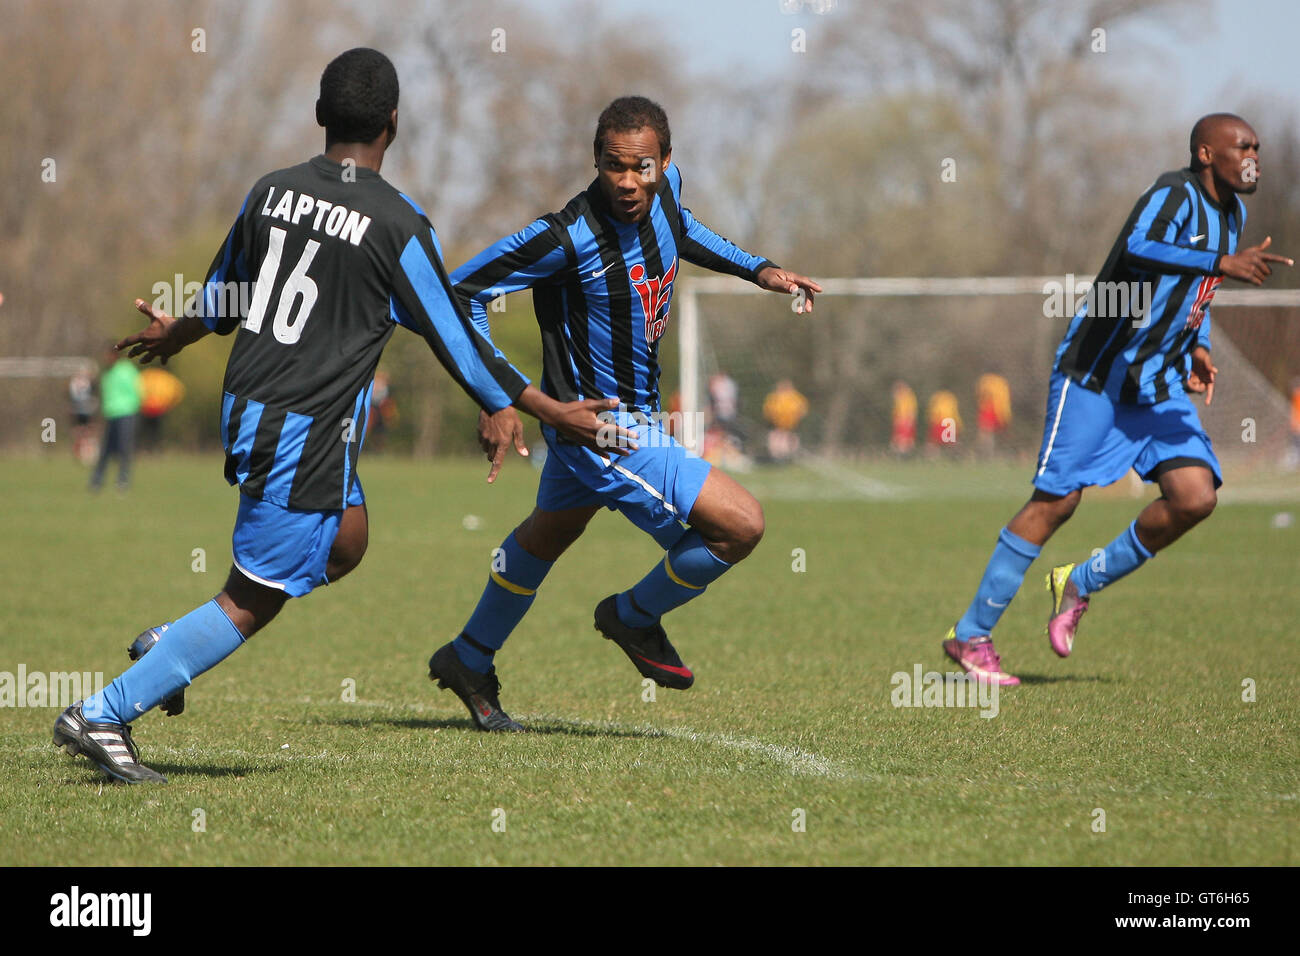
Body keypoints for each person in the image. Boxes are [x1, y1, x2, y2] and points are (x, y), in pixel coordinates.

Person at [52, 48, 622, 783]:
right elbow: (457, 339)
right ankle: (103, 713)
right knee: (252, 598)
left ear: (320, 115)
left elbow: (224, 294)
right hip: (303, 431)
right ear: (394, 122)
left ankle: (171, 645)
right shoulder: (398, 226)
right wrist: (545, 410)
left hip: (253, 410)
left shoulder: (271, 192)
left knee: (347, 540)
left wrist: (175, 334)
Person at [427, 96, 821, 730]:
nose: (630, 182)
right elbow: (457, 295)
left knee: (548, 535)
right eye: (615, 167)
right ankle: (632, 617)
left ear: (666, 162)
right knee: (739, 525)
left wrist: (761, 270)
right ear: (597, 163)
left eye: (643, 166)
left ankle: (468, 657)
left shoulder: (664, 198)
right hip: (600, 429)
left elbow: (687, 230)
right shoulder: (565, 235)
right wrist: (501, 396)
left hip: (642, 415)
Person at [942, 113, 1292, 685]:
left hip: (1157, 383)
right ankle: (971, 636)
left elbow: (1195, 294)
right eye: (1242, 146)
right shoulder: (1173, 192)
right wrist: (1219, 261)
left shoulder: (1234, 215)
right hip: (1097, 373)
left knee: (1195, 497)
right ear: (1207, 154)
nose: (1253, 156)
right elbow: (1137, 248)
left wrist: (1199, 346)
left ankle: (1079, 582)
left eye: (1257, 146)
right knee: (1057, 501)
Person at [88, 346, 142, 492]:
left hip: (126, 413)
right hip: (111, 414)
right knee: (105, 450)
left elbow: (137, 390)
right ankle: (97, 481)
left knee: (124, 448)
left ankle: (123, 480)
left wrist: (132, 408)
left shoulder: (126, 370)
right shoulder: (106, 372)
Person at [763, 378, 810, 462]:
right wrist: (773, 418)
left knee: (792, 439)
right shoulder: (774, 397)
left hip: (792, 422)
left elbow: (803, 409)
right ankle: (776, 456)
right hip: (776, 423)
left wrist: (797, 416)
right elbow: (768, 410)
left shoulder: (796, 396)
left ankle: (791, 455)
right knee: (776, 438)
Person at [975, 372, 1011, 455]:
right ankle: (990, 452)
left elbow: (980, 395)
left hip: (989, 409)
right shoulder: (1002, 382)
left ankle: (988, 452)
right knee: (989, 433)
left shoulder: (986, 380)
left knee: (986, 432)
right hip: (998, 411)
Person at [889, 380, 917, 455]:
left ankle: (904, 455)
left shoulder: (908, 397)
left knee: (904, 440)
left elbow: (911, 411)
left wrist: (909, 421)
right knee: (899, 440)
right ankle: (903, 454)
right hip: (901, 421)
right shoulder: (901, 398)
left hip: (905, 421)